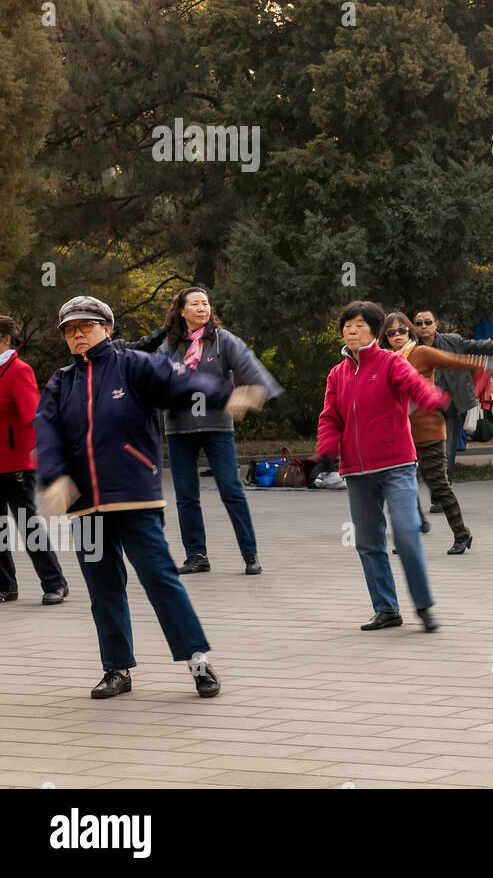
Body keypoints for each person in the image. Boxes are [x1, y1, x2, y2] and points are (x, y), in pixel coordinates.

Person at [34, 295, 266, 699]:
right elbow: (47, 433)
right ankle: (117, 669)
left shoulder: (133, 365)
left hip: (134, 497)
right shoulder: (61, 382)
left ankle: (198, 661)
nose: (78, 335)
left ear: (106, 328)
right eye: (70, 330)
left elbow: (182, 381)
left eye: (86, 326)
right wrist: (54, 478)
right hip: (84, 506)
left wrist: (226, 393)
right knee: (103, 589)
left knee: (161, 581)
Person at [316, 302, 453, 631]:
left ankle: (423, 607)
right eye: (347, 325)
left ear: (374, 332)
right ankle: (386, 609)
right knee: (368, 542)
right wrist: (326, 451)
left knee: (406, 533)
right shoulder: (337, 374)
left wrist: (434, 400)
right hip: (356, 472)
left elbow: (416, 386)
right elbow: (330, 418)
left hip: (397, 465)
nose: (352, 330)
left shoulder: (391, 363)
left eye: (360, 325)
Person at [160, 287, 284, 576]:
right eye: (195, 304)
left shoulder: (222, 340)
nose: (202, 308)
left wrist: (268, 394)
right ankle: (196, 555)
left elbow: (249, 365)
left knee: (231, 490)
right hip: (179, 429)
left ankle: (250, 553)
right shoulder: (169, 346)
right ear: (181, 310)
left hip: (217, 426)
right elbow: (155, 379)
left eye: (205, 303)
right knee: (186, 495)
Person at [382, 312, 493, 553]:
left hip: (428, 429)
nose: (397, 335)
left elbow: (453, 361)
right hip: (401, 434)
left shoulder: (420, 353)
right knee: (402, 486)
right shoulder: (386, 360)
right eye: (391, 332)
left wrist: (488, 363)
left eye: (401, 330)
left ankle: (462, 534)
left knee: (439, 485)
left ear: (409, 332)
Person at [0, 316, 69, 606]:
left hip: (16, 461)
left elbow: (34, 414)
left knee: (27, 524)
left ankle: (55, 583)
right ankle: (6, 586)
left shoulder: (18, 370)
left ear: (4, 338)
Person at [411, 308, 493, 483]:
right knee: (425, 453)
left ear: (436, 324)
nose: (424, 326)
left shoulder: (453, 341)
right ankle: (436, 485)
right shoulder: (412, 351)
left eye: (428, 322)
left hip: (449, 406)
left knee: (446, 450)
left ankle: (441, 493)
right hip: (423, 409)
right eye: (419, 323)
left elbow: (480, 346)